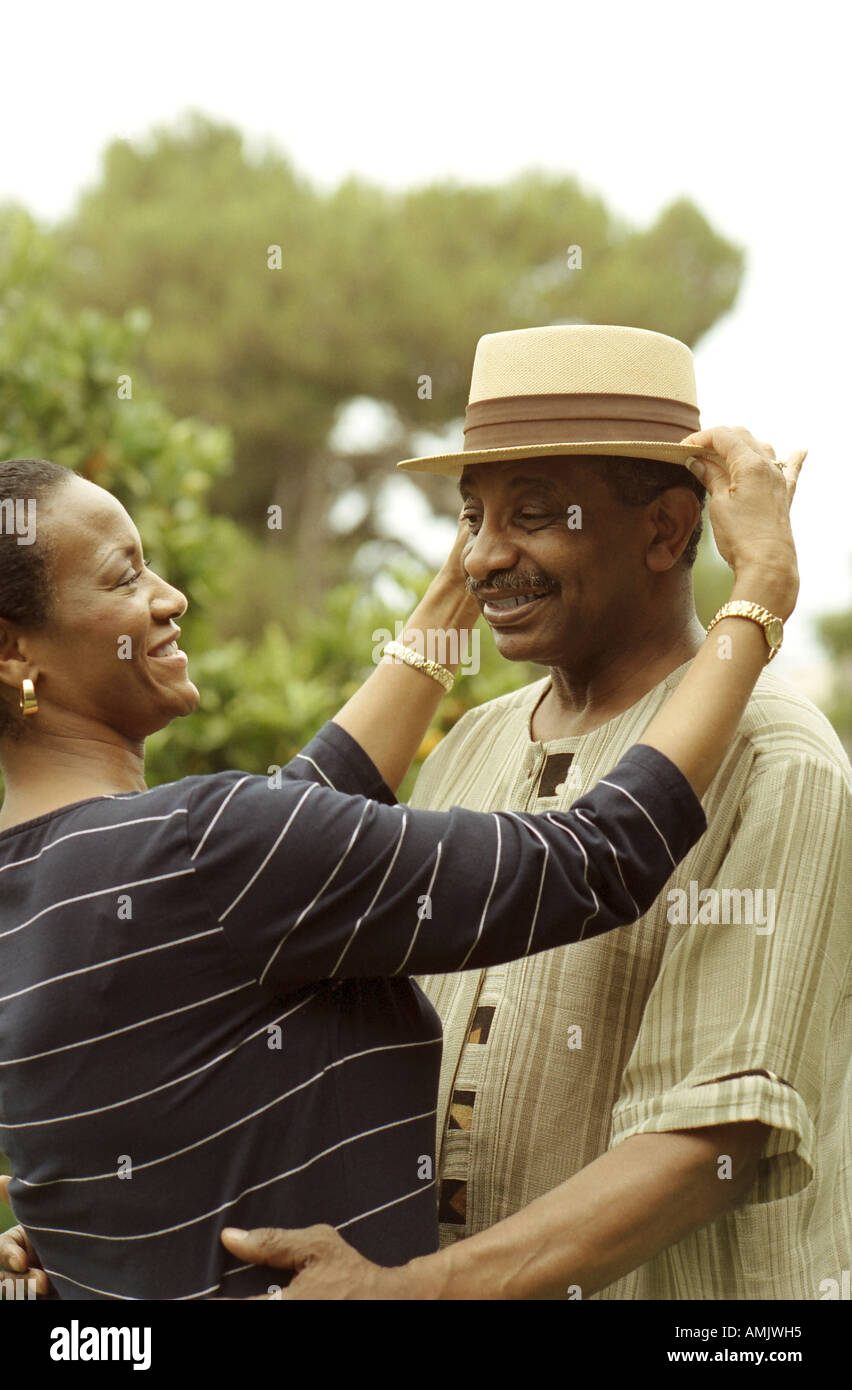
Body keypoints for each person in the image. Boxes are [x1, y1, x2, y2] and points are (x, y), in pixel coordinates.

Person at [0, 395, 801, 1300]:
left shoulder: (49, 881)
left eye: (529, 515)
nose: (169, 595)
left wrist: (481, 557)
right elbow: (598, 858)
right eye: (122, 577)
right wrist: (758, 593)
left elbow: (303, 809)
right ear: (12, 651)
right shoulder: (209, 849)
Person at [216, 324, 847, 1302]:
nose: (484, 556)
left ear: (668, 530)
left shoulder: (776, 761)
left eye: (536, 514)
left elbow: (705, 1142)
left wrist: (418, 1291)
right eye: (471, 517)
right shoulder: (474, 744)